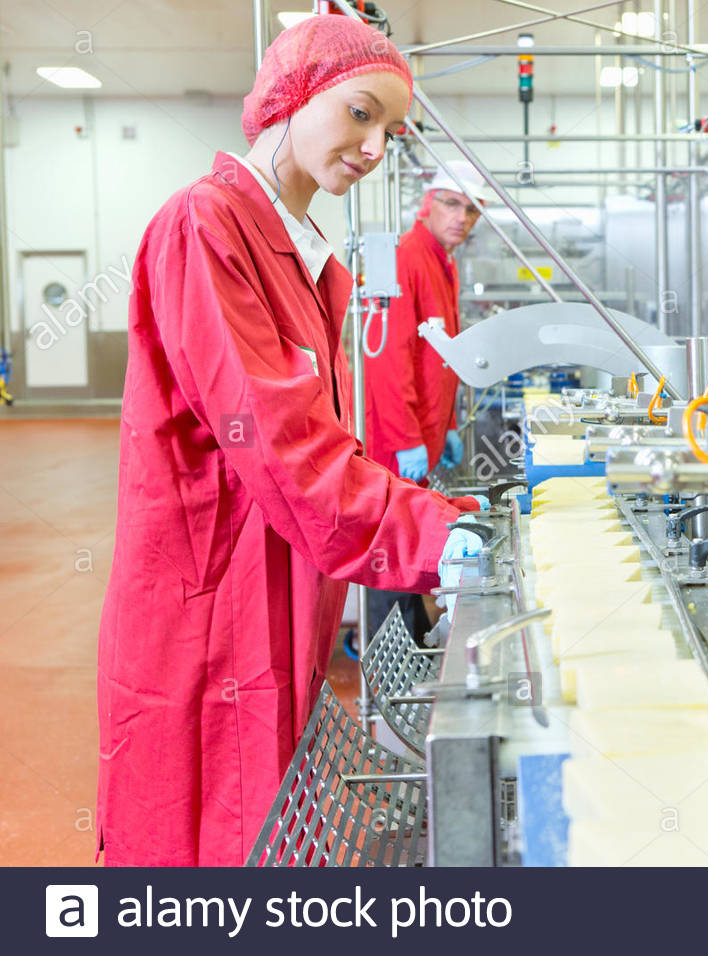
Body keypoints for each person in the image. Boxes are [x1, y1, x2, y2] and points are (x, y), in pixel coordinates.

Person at [97, 15, 485, 867]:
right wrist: (439, 537)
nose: (375, 146)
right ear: (294, 97)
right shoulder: (207, 227)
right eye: (359, 113)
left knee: (267, 832)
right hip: (207, 610)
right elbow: (283, 447)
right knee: (202, 846)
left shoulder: (301, 254)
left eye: (391, 130)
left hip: (279, 588)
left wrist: (434, 513)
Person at [362, 163, 492, 641]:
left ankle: (414, 639)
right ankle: (387, 656)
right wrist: (403, 441)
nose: (462, 217)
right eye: (452, 204)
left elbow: (440, 357)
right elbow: (388, 361)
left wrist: (451, 424)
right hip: (397, 441)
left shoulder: (443, 261)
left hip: (426, 433)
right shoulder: (406, 258)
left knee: (409, 543)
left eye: (472, 210)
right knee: (391, 544)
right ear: (427, 203)